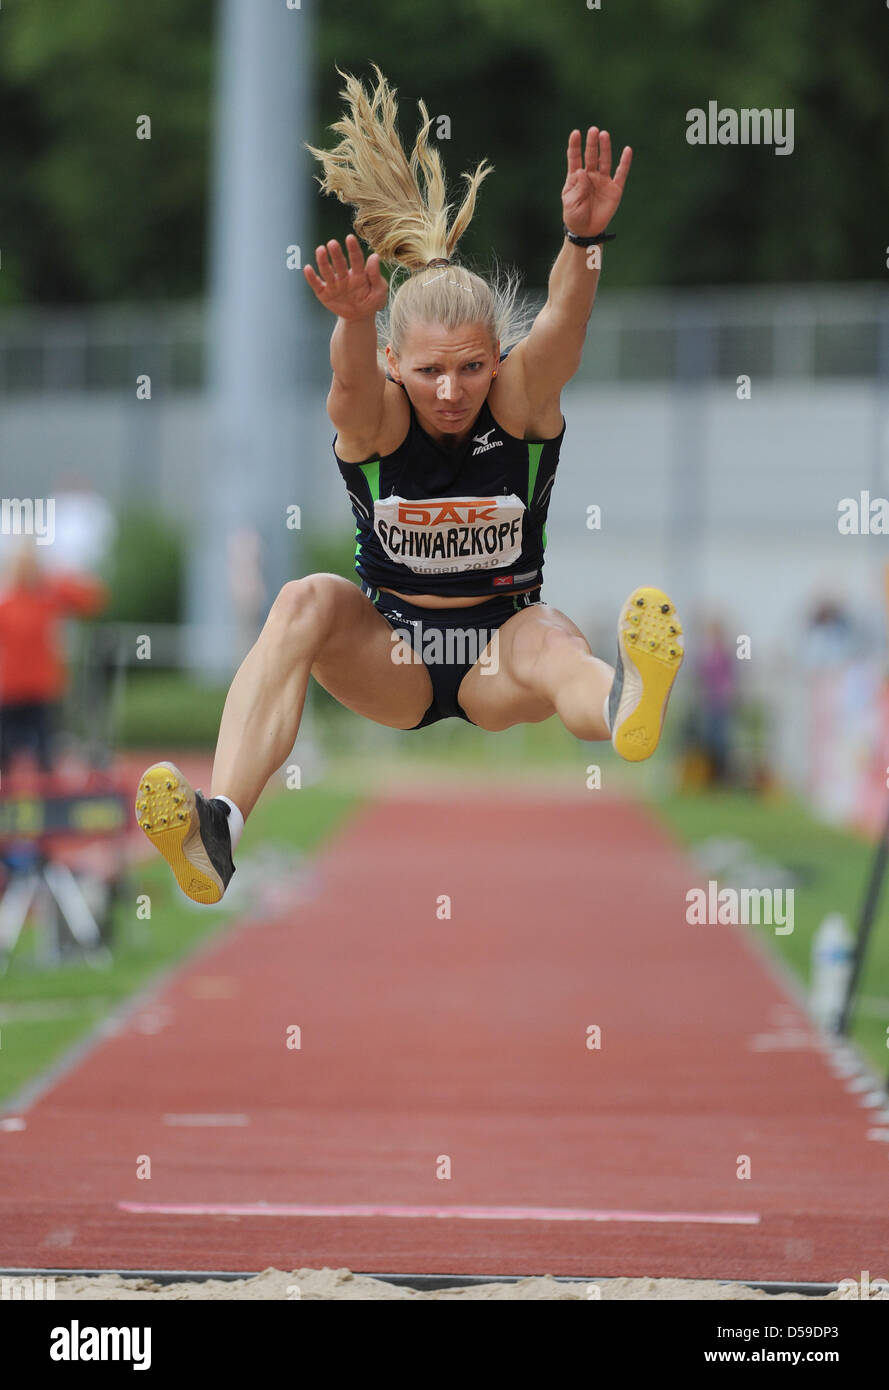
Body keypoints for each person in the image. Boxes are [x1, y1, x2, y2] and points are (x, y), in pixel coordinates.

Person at [136, 64, 685, 905]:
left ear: (495, 359)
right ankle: (218, 831)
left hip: (497, 650)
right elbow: (349, 395)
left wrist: (581, 243)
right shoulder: (381, 417)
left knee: (552, 637)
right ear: (398, 363)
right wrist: (354, 323)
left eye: (471, 367)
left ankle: (624, 702)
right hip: (390, 654)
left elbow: (564, 330)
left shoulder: (519, 402)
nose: (450, 389)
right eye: (429, 370)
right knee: (304, 600)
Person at [0, 540, 108, 776]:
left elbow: (92, 601)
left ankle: (48, 808)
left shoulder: (48, 599)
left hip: (41, 690)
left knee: (45, 756)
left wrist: (53, 578)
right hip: (10, 691)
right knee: (4, 757)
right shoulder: (5, 604)